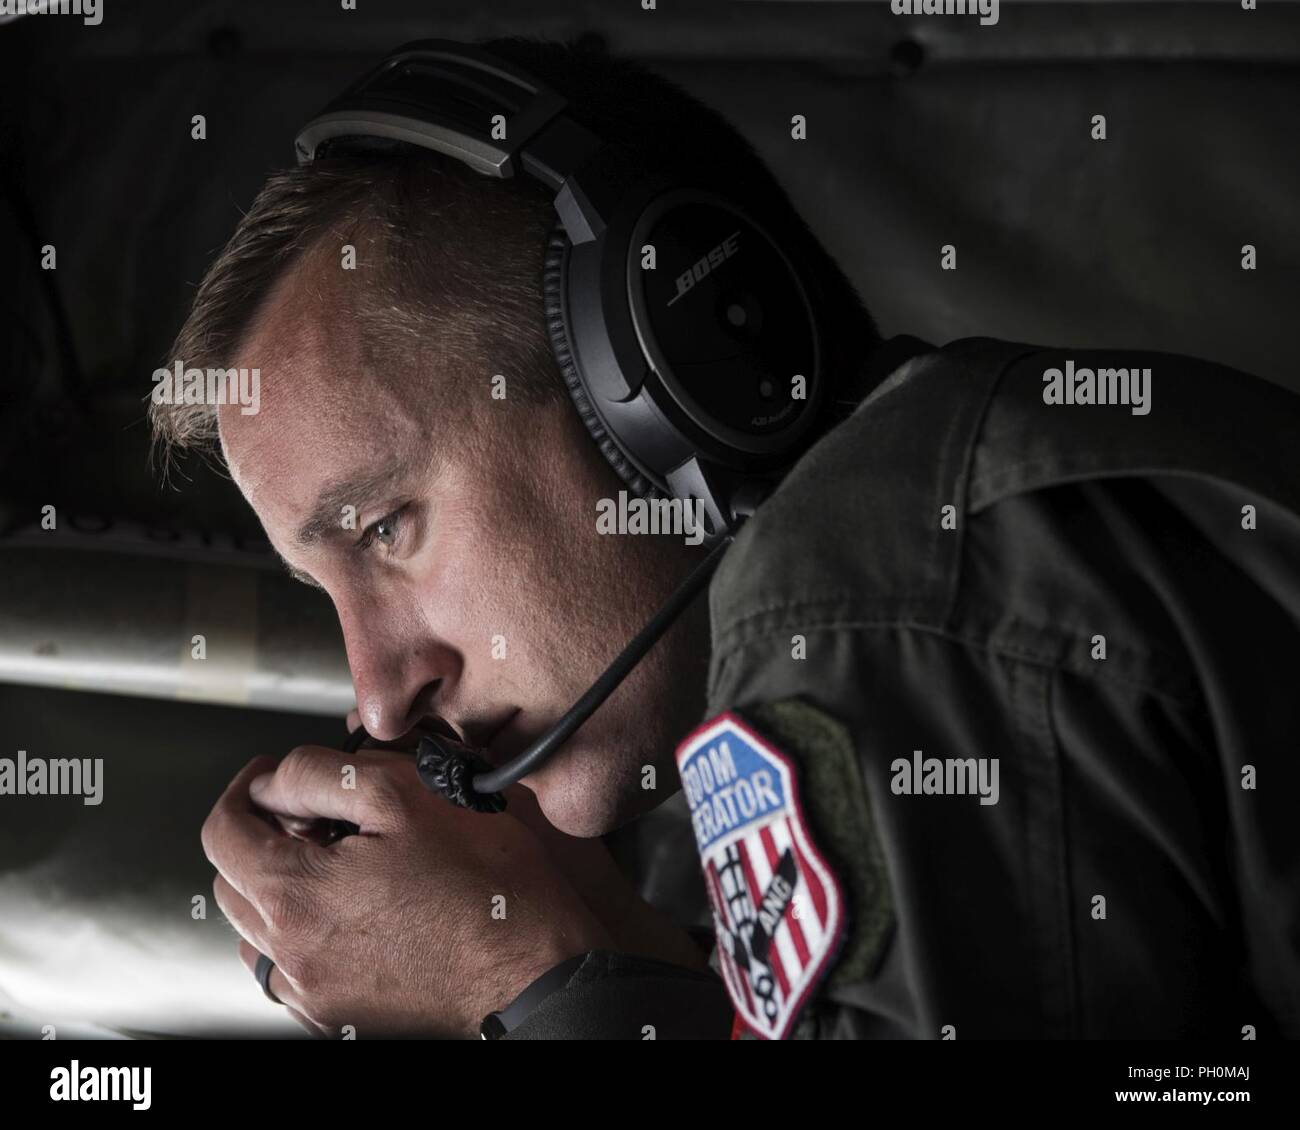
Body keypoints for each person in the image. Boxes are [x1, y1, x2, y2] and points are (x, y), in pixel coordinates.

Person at [153, 37, 1300, 1040]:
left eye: (387, 528)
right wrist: (603, 949)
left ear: (656, 370)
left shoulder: (866, 592)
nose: (382, 695)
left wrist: (526, 981)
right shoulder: (957, 526)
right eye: (325, 588)